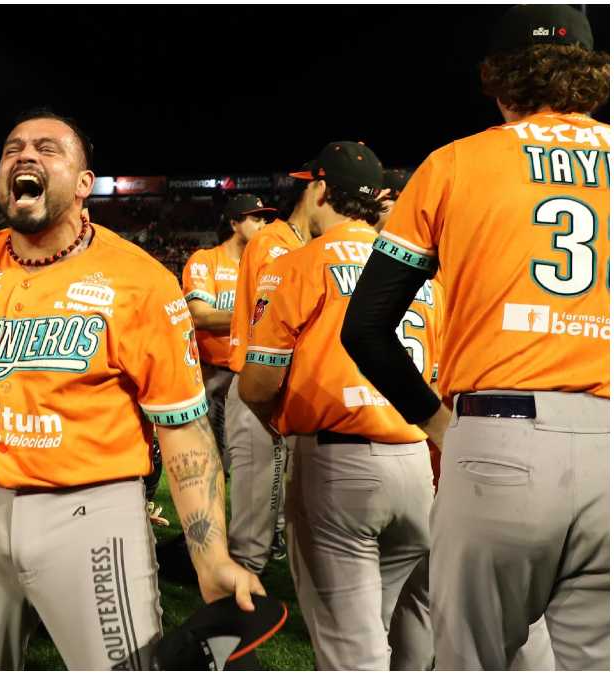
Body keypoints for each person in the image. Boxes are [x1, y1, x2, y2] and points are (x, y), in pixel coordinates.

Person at [0, 110, 263, 669]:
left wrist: (210, 559)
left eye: (47, 149)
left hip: (92, 514)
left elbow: (184, 432)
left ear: (85, 185)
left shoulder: (141, 280)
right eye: (13, 149)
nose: (25, 156)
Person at [343, 5, 610, 669]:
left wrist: (435, 423)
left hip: (500, 436)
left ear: (498, 80)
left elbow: (368, 326)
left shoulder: (456, 163)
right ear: (592, 74)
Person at [238, 142, 438, 669]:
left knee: (353, 648)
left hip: (340, 466)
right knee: (409, 622)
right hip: (418, 465)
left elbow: (256, 385)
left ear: (322, 188)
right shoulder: (419, 271)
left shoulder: (300, 264)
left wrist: (276, 424)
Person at [222, 174, 313, 574]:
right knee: (252, 528)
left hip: (283, 391)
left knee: (275, 507)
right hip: (259, 387)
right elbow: (274, 324)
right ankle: (235, 616)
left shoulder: (294, 244)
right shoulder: (275, 245)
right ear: (317, 192)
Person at [183, 193, 271, 462]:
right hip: (214, 375)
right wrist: (256, 318)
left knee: (253, 457)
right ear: (234, 223)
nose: (263, 224)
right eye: (255, 218)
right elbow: (200, 315)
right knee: (214, 457)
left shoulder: (266, 266)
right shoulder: (206, 260)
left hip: (252, 371)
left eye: (264, 219)